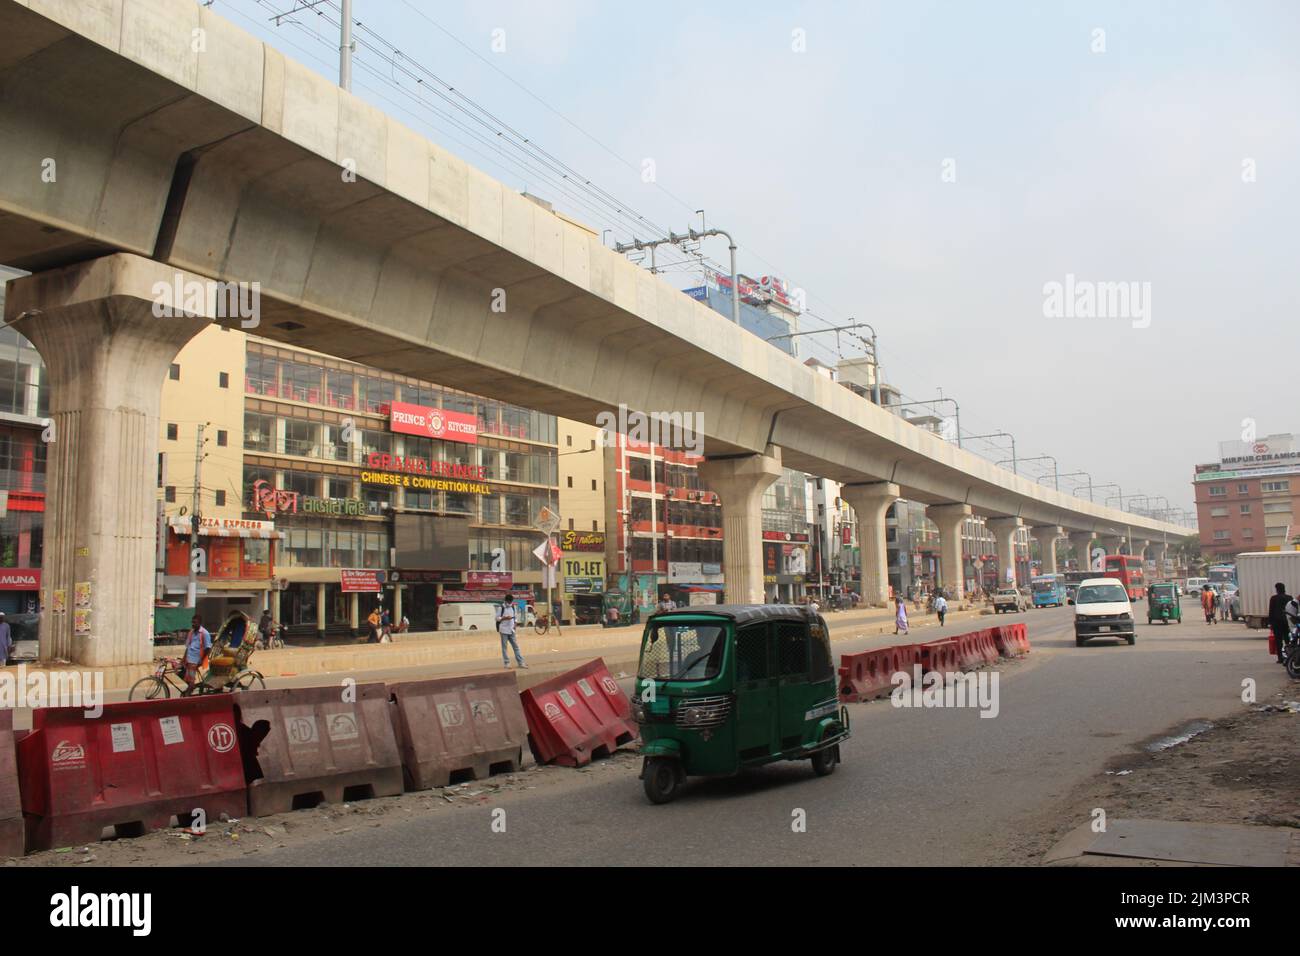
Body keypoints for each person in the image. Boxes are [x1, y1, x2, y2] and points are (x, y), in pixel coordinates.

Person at [183, 615, 212, 692]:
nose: (193, 624)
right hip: (189, 658)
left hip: (197, 659)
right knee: (177, 668)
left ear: (200, 623)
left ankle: (191, 686)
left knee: (191, 669)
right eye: (192, 622)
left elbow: (208, 648)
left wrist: (201, 661)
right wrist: (183, 659)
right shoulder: (191, 632)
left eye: (195, 622)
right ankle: (190, 685)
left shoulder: (205, 633)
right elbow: (187, 647)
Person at [497, 601, 527, 669]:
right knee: (504, 647)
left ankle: (521, 662)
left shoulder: (513, 607)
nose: (509, 603)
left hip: (511, 630)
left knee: (516, 647)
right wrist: (504, 618)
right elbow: (496, 618)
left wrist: (515, 625)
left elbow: (515, 618)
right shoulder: (501, 608)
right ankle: (507, 663)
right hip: (504, 630)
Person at [1268, 582, 1291, 662]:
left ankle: (1280, 658)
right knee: (1288, 639)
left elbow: (1271, 611)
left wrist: (1270, 623)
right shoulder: (1289, 597)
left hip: (1277, 622)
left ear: (1277, 589)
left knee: (1278, 640)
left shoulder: (1273, 598)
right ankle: (1289, 657)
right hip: (1287, 622)